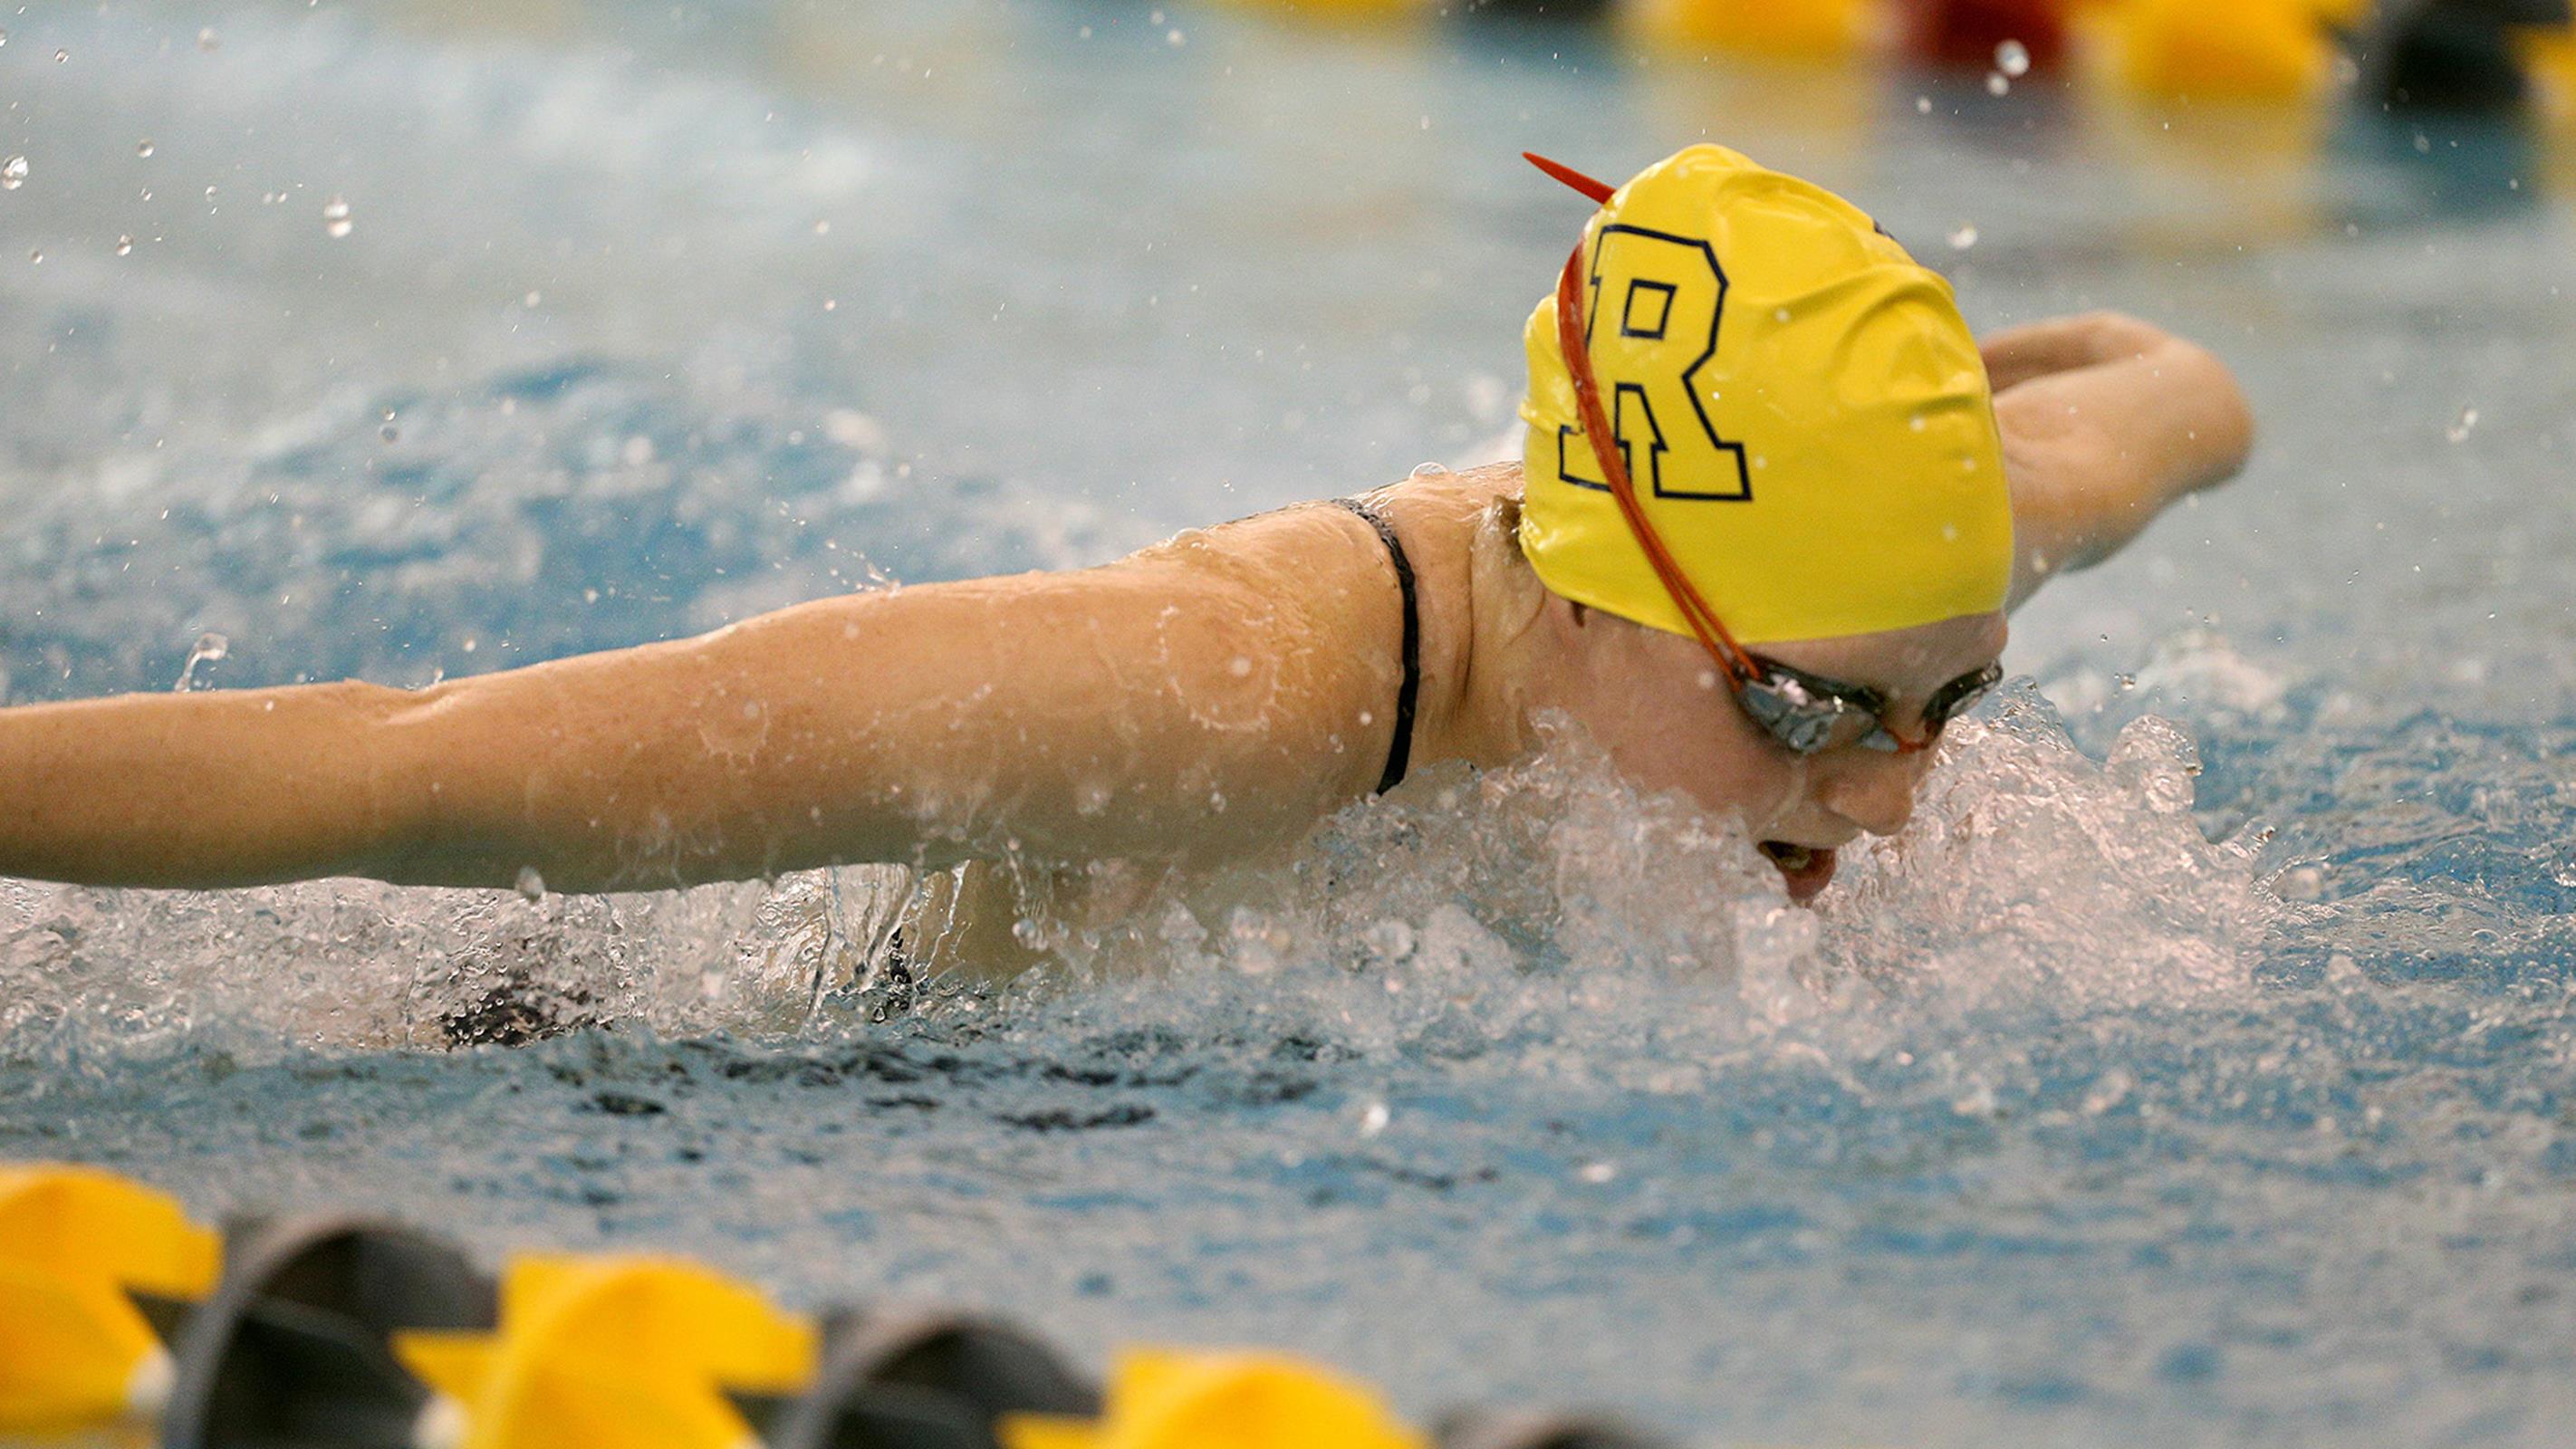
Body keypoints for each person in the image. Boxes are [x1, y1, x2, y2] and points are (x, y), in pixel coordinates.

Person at [0, 147, 2251, 954]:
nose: (1893, 790)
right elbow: (431, 764)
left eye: (1955, 701)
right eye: (1799, 708)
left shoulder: (1892, 564)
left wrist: (1890, 384)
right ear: (1578, 578)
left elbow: (2179, 392)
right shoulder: (1217, 697)